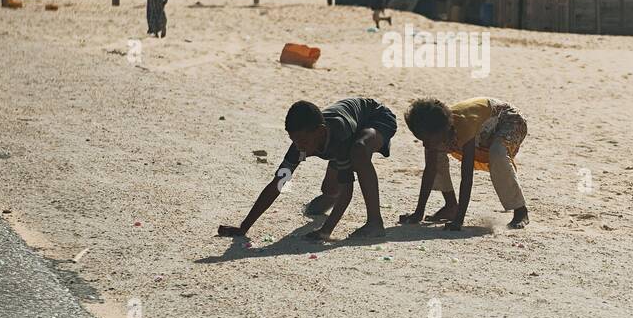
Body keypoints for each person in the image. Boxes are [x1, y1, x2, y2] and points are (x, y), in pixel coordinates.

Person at [217, 97, 397, 241]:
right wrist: (244, 227)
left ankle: (375, 222)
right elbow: (279, 183)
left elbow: (348, 190)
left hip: (376, 118)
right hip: (340, 142)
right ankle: (328, 197)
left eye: (302, 141)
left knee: (358, 150)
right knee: (329, 190)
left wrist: (325, 231)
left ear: (319, 132)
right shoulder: (300, 145)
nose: (299, 147)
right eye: (294, 141)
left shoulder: (340, 135)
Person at [399, 97, 529, 231]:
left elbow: (467, 177)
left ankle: (520, 210)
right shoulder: (434, 130)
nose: (425, 144)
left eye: (426, 139)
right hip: (481, 129)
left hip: (509, 120)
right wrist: (418, 213)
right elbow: (430, 169)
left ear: (442, 131)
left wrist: (459, 220)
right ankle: (451, 206)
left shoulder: (463, 126)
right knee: (435, 154)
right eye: (421, 139)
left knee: (497, 153)